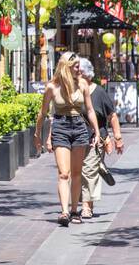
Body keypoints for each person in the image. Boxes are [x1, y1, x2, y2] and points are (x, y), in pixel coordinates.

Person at [34, 51, 102, 226]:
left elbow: (90, 109)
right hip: (61, 127)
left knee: (77, 173)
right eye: (76, 66)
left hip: (79, 127)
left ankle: (74, 210)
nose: (79, 69)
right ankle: (64, 212)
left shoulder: (83, 85)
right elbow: (43, 112)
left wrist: (97, 132)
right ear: (66, 67)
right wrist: (37, 134)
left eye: (79, 65)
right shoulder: (53, 87)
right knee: (64, 173)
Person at [77, 57, 123, 219]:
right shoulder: (72, 92)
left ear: (87, 74)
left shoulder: (99, 92)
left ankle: (86, 207)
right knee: (75, 173)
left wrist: (117, 138)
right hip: (74, 137)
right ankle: (78, 202)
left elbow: (112, 116)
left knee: (88, 172)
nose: (76, 75)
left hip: (95, 139)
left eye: (79, 72)